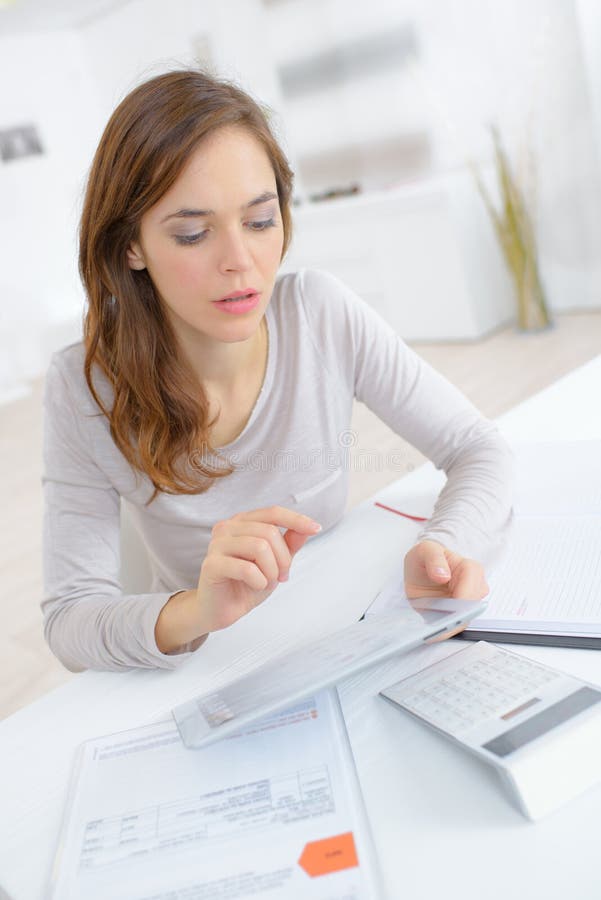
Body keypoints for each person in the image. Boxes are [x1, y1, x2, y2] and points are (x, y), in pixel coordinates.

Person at [41, 69, 513, 673]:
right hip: (215, 666)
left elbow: (479, 448)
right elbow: (69, 619)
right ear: (131, 245)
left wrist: (443, 547)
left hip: (340, 632)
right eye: (192, 234)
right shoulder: (84, 386)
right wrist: (197, 609)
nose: (240, 261)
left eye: (260, 222)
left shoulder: (321, 311)